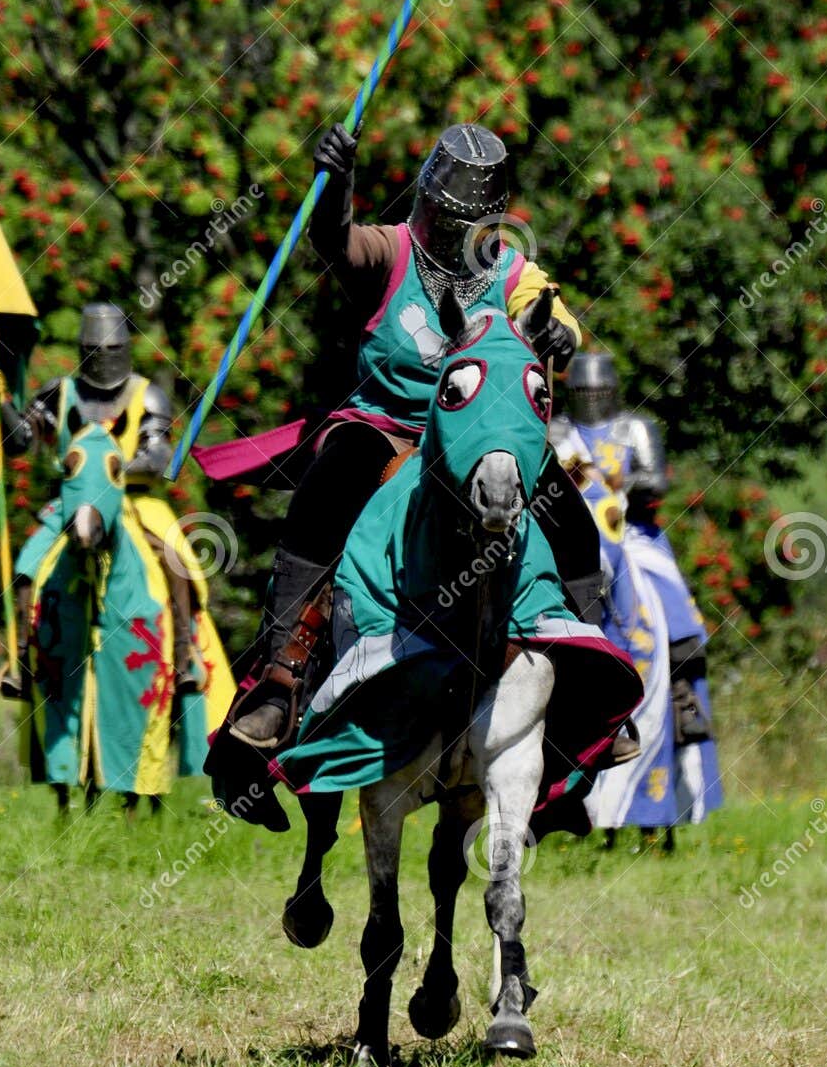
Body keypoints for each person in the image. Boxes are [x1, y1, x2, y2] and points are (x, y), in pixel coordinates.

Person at [227, 120, 590, 751]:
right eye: (447, 219)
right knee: (329, 483)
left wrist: (561, 333)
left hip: (476, 443)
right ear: (425, 202)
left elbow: (551, 308)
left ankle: (582, 681)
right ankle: (279, 681)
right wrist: (336, 182)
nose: (453, 234)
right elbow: (332, 239)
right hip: (386, 431)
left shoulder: (511, 274)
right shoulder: (390, 251)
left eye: (467, 223)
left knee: (570, 516)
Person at [0, 303, 233, 773]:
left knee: (176, 560)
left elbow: (159, 452)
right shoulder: (60, 393)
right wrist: (1, 400)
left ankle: (185, 653)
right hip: (72, 505)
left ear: (124, 349)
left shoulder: (148, 395)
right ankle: (21, 663)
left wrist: (113, 467)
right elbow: (22, 440)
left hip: (133, 503)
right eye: (92, 350)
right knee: (26, 566)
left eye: (109, 349)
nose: (101, 358)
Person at [550, 351, 715, 755]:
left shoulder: (635, 429)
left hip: (632, 533)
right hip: (572, 536)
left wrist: (620, 482)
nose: (590, 398)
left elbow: (656, 481)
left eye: (598, 391)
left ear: (611, 391)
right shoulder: (556, 431)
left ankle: (679, 689)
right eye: (582, 391)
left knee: (666, 585)